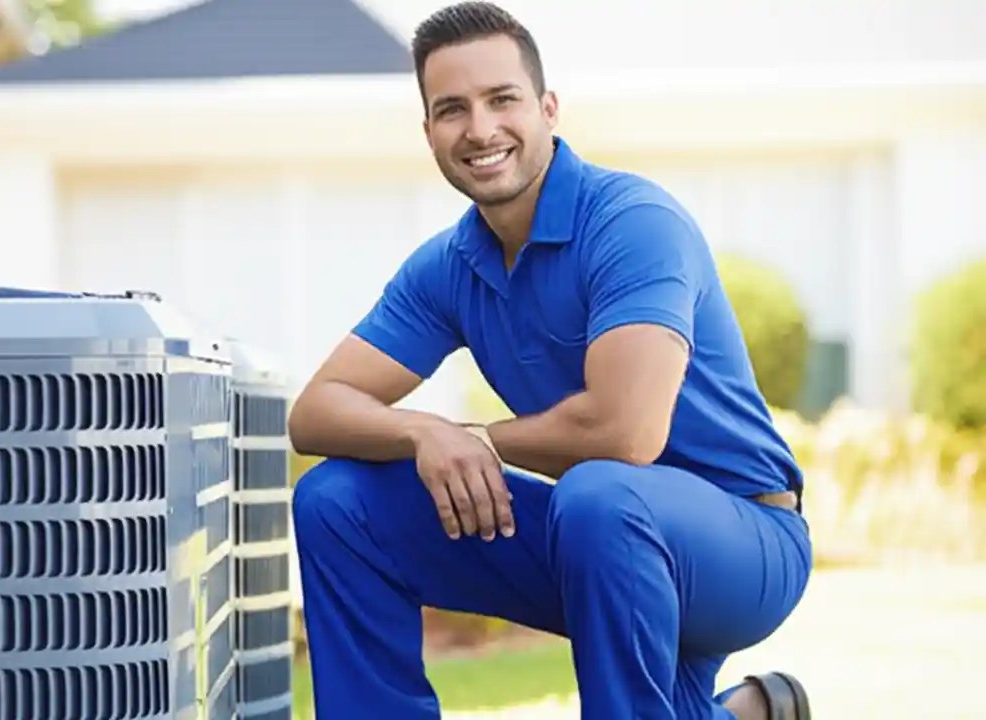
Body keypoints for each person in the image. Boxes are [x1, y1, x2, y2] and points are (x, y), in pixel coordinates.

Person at [287, 2, 814, 719]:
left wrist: (475, 442)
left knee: (599, 493)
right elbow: (318, 410)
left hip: (741, 547)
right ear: (429, 132)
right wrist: (425, 433)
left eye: (502, 99)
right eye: (452, 109)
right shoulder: (449, 266)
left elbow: (626, 436)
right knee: (338, 502)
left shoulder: (632, 222)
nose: (480, 129)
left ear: (548, 108)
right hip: (593, 538)